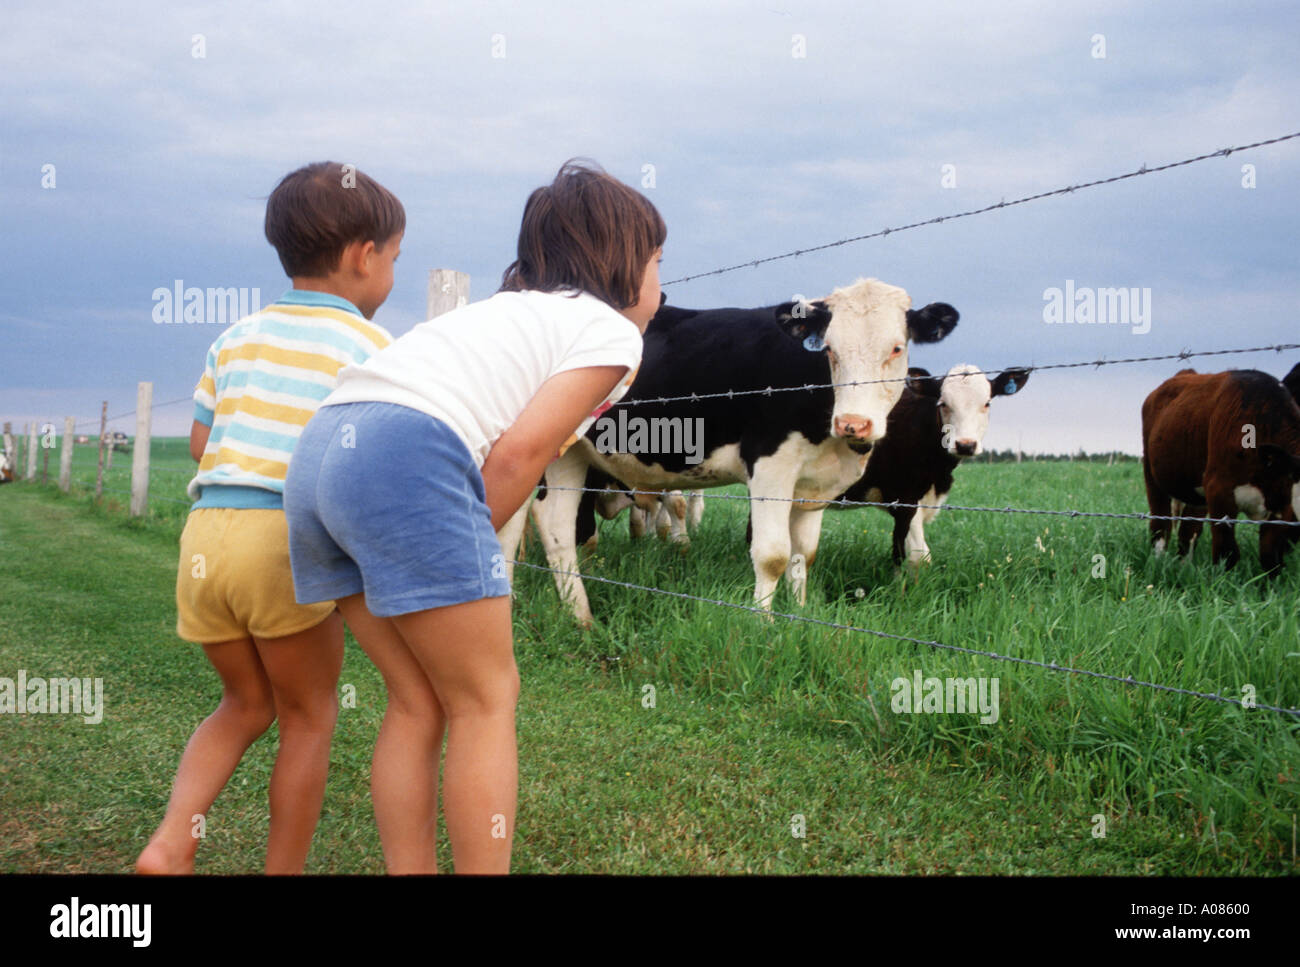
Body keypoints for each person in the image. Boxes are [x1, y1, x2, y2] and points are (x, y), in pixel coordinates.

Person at [283, 159, 665, 874]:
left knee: (416, 699)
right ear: (623, 264)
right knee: (487, 697)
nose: (661, 285)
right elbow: (521, 455)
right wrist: (463, 547)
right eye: (656, 262)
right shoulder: (611, 333)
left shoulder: (493, 312)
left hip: (320, 452)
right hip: (404, 455)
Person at [136, 162, 403, 874]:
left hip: (208, 538)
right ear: (363, 255)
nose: (392, 275)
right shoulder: (373, 350)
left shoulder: (237, 336)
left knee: (244, 704)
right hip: (282, 541)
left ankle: (170, 841)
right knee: (310, 716)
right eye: (396, 258)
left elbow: (201, 443)